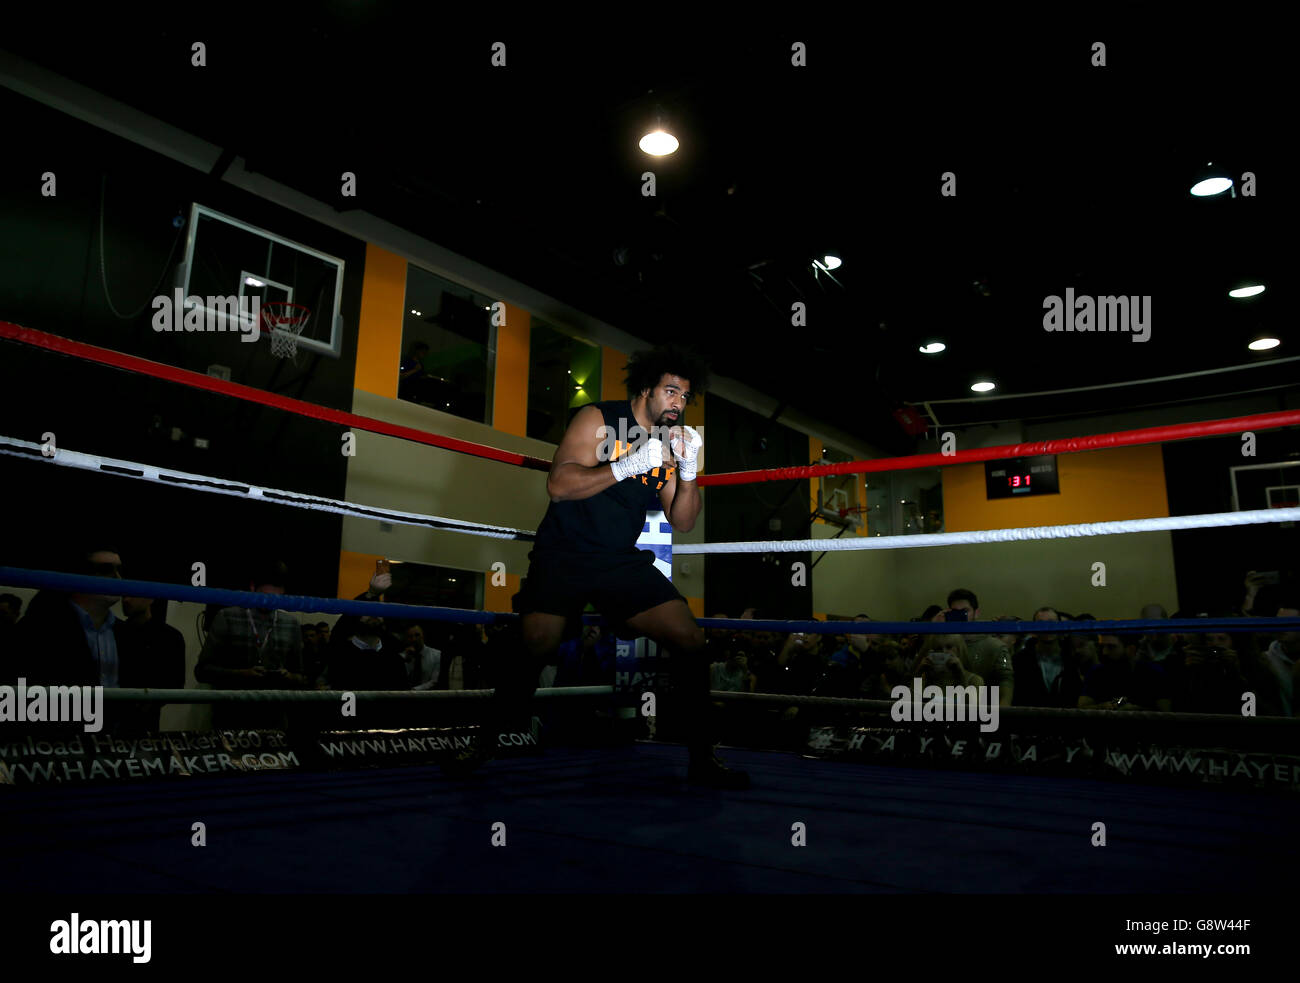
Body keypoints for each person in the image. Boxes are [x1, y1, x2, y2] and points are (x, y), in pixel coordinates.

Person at [442, 345, 749, 787]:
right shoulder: (600, 419)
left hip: (617, 561)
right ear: (645, 389)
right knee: (536, 647)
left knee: (689, 639)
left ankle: (703, 759)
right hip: (564, 552)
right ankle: (483, 743)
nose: (678, 404)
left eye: (684, 397)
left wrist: (687, 473)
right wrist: (627, 465)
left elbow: (682, 522)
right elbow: (559, 485)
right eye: (670, 392)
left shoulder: (669, 443)